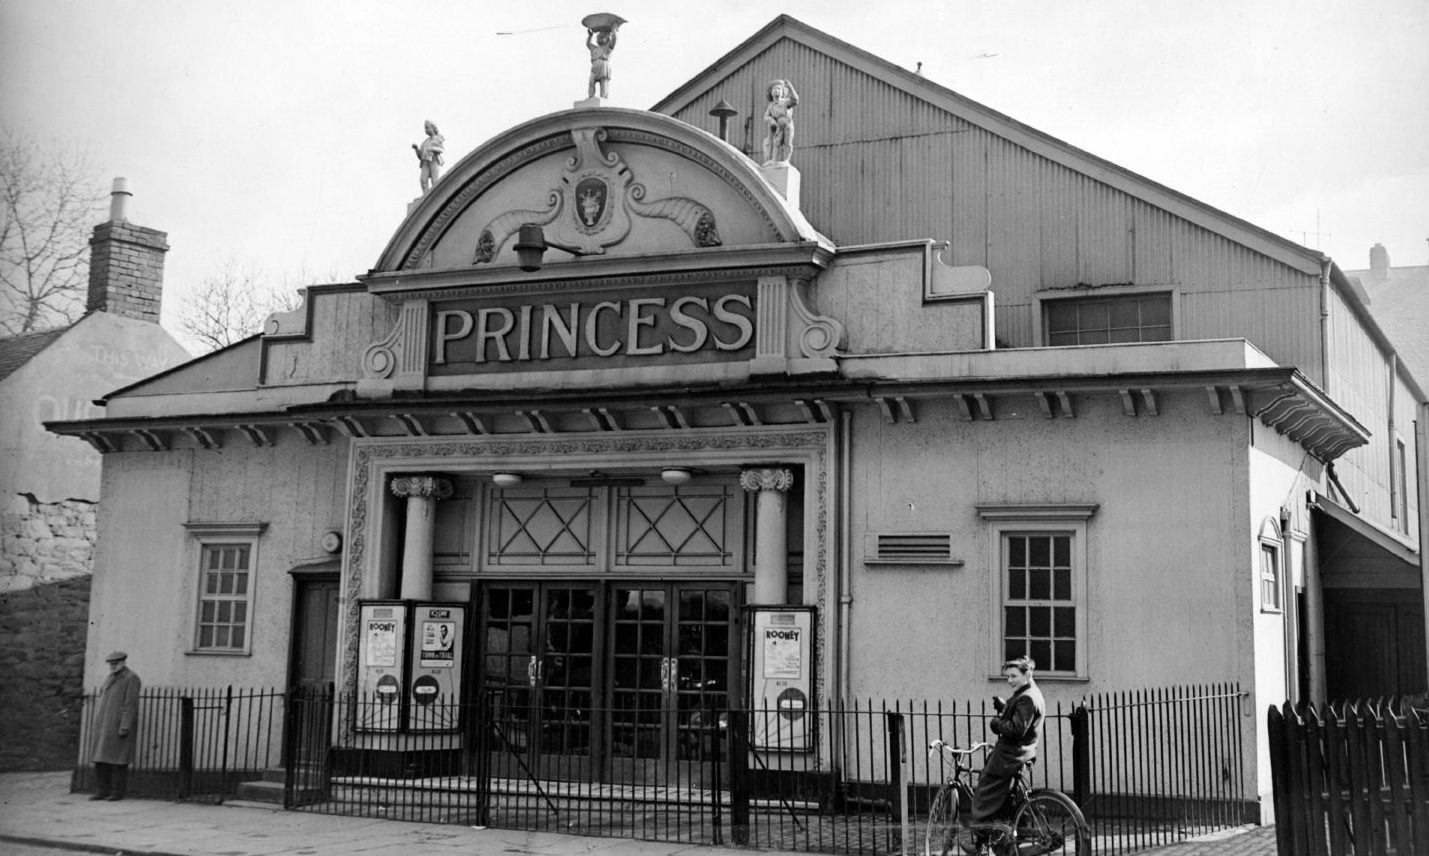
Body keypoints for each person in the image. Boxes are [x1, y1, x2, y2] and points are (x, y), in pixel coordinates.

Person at [970, 656, 1044, 848]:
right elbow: (1022, 717)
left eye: (1014, 676)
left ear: (1027, 674)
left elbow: (1017, 729)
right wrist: (1006, 708)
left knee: (984, 790)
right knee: (1004, 797)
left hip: (1011, 754)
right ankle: (1002, 836)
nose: (1010, 680)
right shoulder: (1029, 692)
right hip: (1020, 752)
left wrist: (996, 724)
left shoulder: (1027, 698)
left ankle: (982, 837)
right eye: (1007, 677)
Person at [90, 651, 141, 801]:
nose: (112, 666)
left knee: (118, 761)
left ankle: (117, 793)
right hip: (104, 725)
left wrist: (125, 726)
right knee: (101, 760)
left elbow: (130, 704)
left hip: (117, 726)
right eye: (110, 664)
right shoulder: (110, 678)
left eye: (115, 663)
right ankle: (102, 791)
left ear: (123, 662)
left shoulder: (131, 678)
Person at [761, 79, 800, 165]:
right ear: (771, 92)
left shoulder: (785, 102)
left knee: (788, 142)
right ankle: (774, 160)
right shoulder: (771, 106)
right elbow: (766, 116)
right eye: (774, 89)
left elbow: (795, 100)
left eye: (778, 89)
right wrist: (771, 120)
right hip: (779, 126)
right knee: (776, 143)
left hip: (787, 124)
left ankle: (786, 160)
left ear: (783, 92)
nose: (776, 91)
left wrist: (790, 87)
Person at [412, 120, 445, 194]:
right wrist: (416, 149)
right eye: (425, 128)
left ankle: (436, 195)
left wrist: (432, 148)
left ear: (433, 128)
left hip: (434, 160)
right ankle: (426, 196)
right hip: (425, 162)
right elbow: (420, 156)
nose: (426, 130)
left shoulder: (438, 138)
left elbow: (442, 149)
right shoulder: (425, 142)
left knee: (435, 180)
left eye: (427, 128)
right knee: (423, 180)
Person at [586, 27, 617, 99]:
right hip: (594, 67)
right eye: (598, 37)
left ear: (607, 39)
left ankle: (603, 97)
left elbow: (614, 40)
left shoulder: (608, 48)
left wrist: (614, 30)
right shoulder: (595, 48)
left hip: (604, 66)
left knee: (604, 83)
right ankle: (591, 96)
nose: (599, 39)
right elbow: (588, 44)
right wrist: (590, 36)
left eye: (602, 37)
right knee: (591, 81)